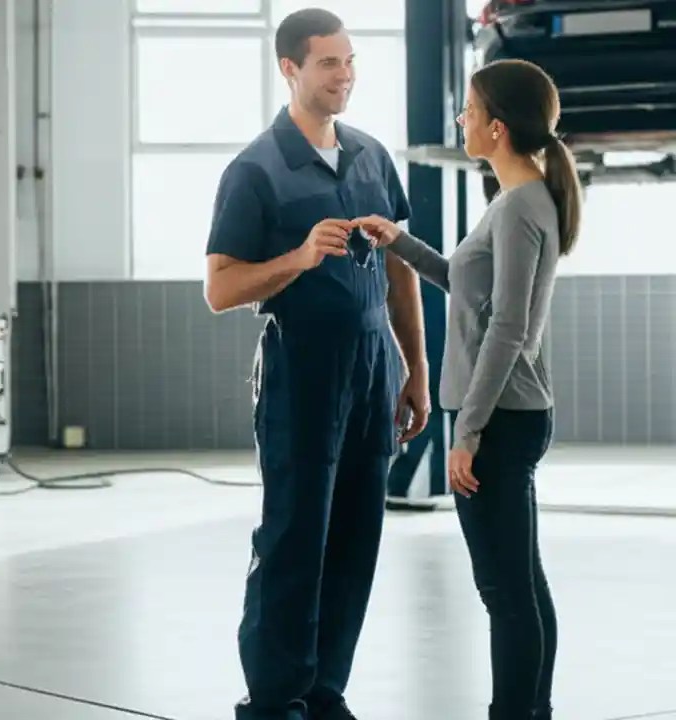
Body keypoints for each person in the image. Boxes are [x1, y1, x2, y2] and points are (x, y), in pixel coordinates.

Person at [203, 8, 430, 720]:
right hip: (302, 368)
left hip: (373, 367)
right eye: (330, 63)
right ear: (290, 69)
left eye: (351, 60)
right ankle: (274, 699)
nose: (346, 76)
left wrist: (415, 368)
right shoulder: (255, 171)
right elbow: (220, 288)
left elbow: (401, 274)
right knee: (295, 533)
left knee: (358, 532)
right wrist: (299, 257)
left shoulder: (372, 157)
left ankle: (326, 691)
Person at [356, 58, 580, 720]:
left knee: (505, 591)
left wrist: (469, 431)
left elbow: (507, 328)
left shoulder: (517, 209)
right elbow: (468, 285)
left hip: (500, 419)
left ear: (498, 128)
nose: (461, 119)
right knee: (522, 585)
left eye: (470, 110)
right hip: (513, 413)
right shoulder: (522, 200)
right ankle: (530, 711)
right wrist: (398, 241)